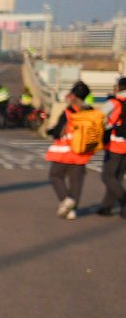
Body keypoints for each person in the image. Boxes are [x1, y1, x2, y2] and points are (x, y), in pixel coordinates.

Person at [45, 82, 102, 219]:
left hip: (65, 151)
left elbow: (58, 132)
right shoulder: (92, 112)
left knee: (55, 175)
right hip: (83, 151)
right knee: (76, 181)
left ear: (74, 95)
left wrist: (51, 131)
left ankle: (66, 200)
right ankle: (72, 210)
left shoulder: (69, 111)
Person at [97, 77, 126, 217]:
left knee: (107, 176)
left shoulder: (114, 102)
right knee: (117, 177)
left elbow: (98, 117)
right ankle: (106, 207)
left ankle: (124, 201)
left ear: (119, 87)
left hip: (115, 145)